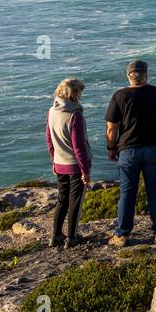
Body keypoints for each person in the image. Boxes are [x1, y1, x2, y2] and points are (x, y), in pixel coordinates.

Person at [104, 60, 156, 246]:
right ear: (146, 75)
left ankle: (122, 234)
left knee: (127, 192)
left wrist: (111, 148)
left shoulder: (119, 96)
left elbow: (112, 128)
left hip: (128, 150)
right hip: (154, 148)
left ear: (128, 76)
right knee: (155, 190)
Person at [46, 78, 93, 248]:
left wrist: (54, 161)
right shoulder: (75, 116)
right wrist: (85, 170)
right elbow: (78, 147)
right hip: (74, 165)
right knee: (76, 201)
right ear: (72, 94)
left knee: (62, 200)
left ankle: (56, 236)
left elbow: (49, 140)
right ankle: (72, 238)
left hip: (59, 163)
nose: (80, 96)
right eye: (79, 92)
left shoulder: (51, 111)